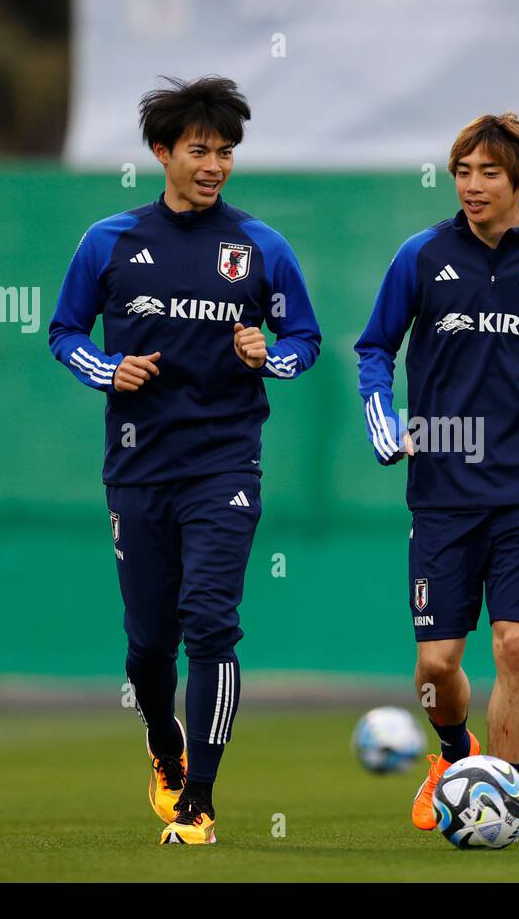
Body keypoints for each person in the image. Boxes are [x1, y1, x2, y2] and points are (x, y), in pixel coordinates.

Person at [47, 76, 322, 845]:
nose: (215, 164)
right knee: (146, 646)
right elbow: (65, 332)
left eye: (226, 151)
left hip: (225, 465)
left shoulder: (261, 246)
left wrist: (270, 355)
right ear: (162, 152)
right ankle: (163, 746)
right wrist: (110, 368)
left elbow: (307, 341)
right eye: (200, 149)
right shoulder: (107, 241)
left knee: (211, 623)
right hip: (137, 467)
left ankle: (199, 796)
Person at [354, 113, 519, 831]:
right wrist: (383, 420)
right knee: (438, 663)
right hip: (442, 489)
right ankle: (453, 751)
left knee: (514, 643)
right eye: (463, 172)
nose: (473, 186)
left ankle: (499, 788)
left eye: (489, 174)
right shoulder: (420, 255)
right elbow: (374, 348)